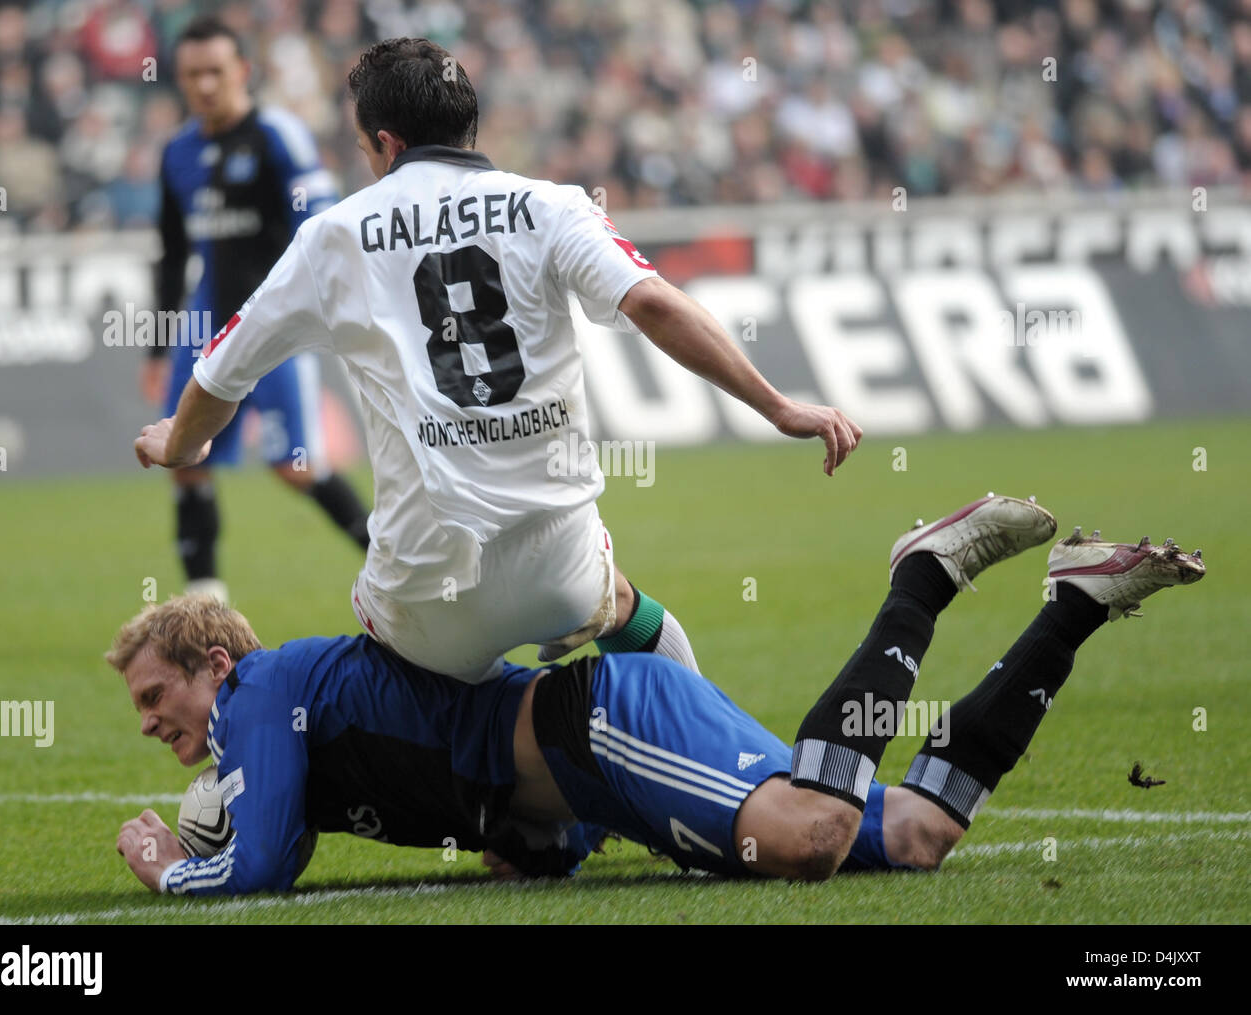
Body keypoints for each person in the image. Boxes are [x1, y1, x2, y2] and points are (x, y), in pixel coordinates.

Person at [132, 37, 863, 683]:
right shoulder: (552, 206)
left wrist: (180, 440)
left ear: (383, 142)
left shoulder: (334, 237)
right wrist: (780, 406)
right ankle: (722, 767)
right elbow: (657, 304)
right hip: (563, 573)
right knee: (627, 607)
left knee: (398, 670)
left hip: (424, 600)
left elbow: (219, 370)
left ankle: (523, 784)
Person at [110, 493, 1205, 894]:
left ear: (215, 662)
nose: (153, 719)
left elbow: (258, 867)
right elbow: (314, 829)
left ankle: (923, 573)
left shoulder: (260, 688)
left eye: (158, 691)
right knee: (913, 834)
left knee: (814, 829)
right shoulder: (298, 743)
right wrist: (535, 844)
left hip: (610, 724)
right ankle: (1075, 606)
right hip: (602, 778)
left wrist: (170, 865)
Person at [144, 15, 372, 602]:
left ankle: (393, 567)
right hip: (201, 331)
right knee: (183, 459)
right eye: (193, 75)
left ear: (243, 71)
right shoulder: (177, 154)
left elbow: (323, 230)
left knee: (295, 467)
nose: (205, 86)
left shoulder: (278, 136)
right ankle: (205, 601)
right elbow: (171, 254)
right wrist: (157, 345)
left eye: (216, 72)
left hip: (276, 332)